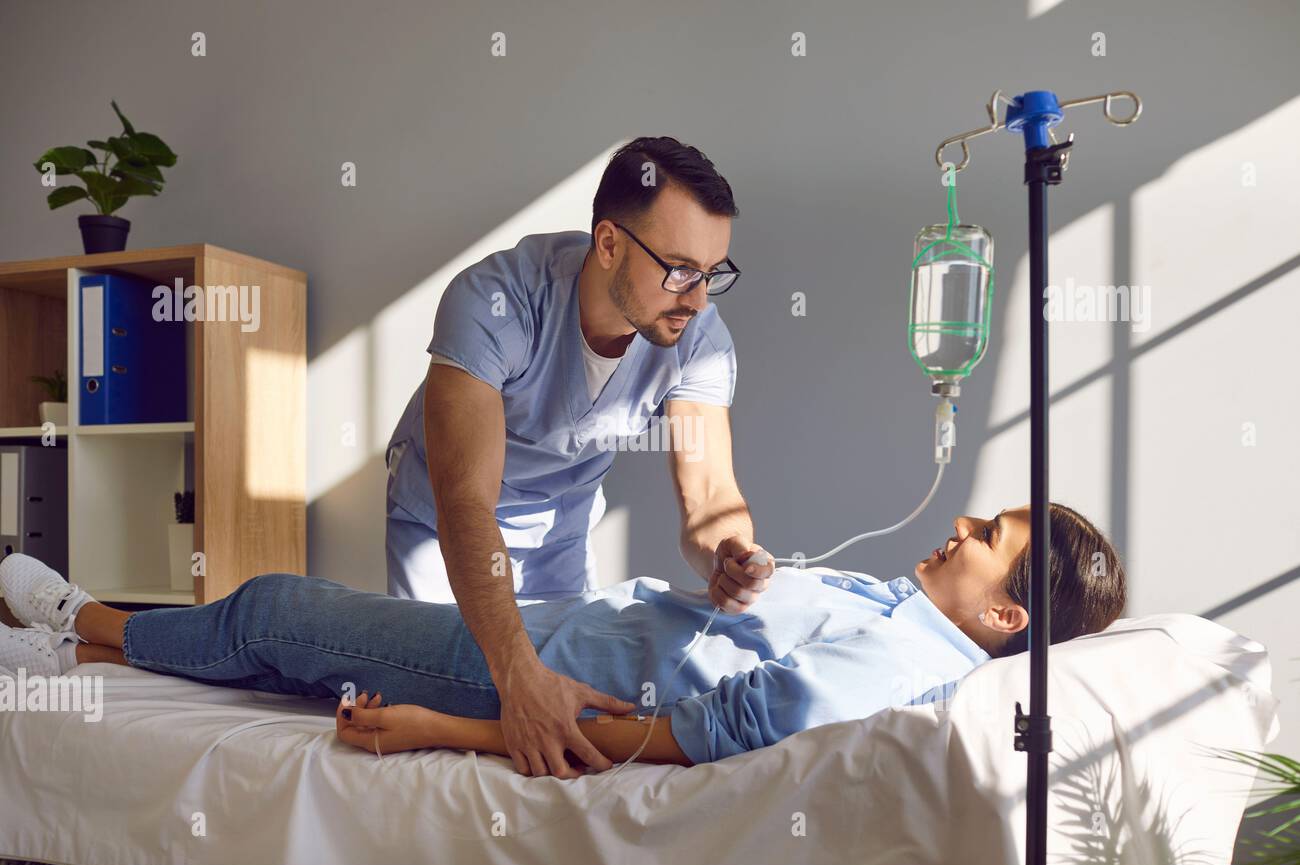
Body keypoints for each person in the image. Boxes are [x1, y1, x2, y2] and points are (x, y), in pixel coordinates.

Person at [0, 502, 1126, 773]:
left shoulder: (906, 658)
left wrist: (453, 727)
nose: (959, 526)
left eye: (985, 536)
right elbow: (741, 649)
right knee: (279, 639)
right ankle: (97, 652)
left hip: (528, 669)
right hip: (552, 620)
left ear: (1005, 615)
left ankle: (69, 620)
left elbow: (706, 729)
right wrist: (743, 569)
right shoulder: (895, 611)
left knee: (275, 612)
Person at [383, 135, 775, 776]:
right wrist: (515, 673)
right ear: (610, 243)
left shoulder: (699, 339)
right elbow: (466, 504)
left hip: (562, 519)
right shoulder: (493, 304)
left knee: (565, 702)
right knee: (443, 682)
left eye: (711, 274)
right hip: (447, 522)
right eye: (678, 269)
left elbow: (710, 500)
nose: (697, 298)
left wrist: (729, 556)